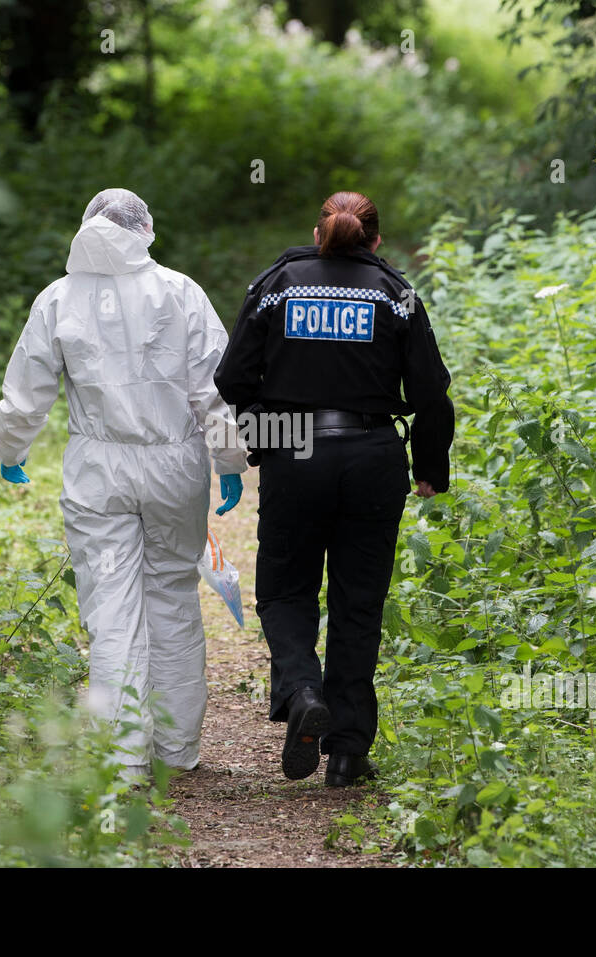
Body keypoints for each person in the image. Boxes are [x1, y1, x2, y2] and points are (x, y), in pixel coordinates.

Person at [0, 188, 248, 782]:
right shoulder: (181, 292)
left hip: (97, 469)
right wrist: (229, 460)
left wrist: (12, 451)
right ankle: (179, 751)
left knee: (110, 608)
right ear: (144, 230)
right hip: (174, 465)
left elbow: (26, 392)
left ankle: (124, 756)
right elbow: (214, 391)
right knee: (172, 595)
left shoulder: (58, 298)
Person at [215, 190, 454, 786]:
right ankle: (347, 753)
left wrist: (265, 436)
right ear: (374, 239)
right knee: (357, 602)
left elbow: (232, 377)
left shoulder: (277, 285)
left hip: (296, 451)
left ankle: (300, 693)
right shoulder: (395, 294)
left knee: (283, 591)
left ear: (318, 232)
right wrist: (430, 466)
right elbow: (431, 394)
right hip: (373, 454)